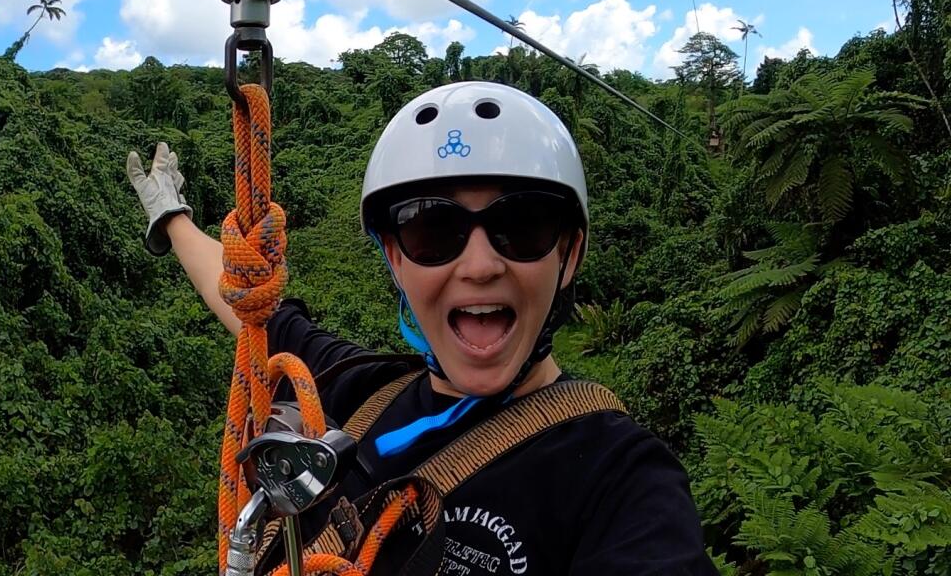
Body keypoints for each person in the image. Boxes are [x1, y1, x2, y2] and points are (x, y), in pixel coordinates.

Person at [128, 81, 718, 575]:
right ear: (395, 257)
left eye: (523, 225)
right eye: (432, 230)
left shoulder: (621, 481)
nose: (481, 265)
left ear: (571, 252)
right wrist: (171, 217)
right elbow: (250, 308)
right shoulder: (359, 391)